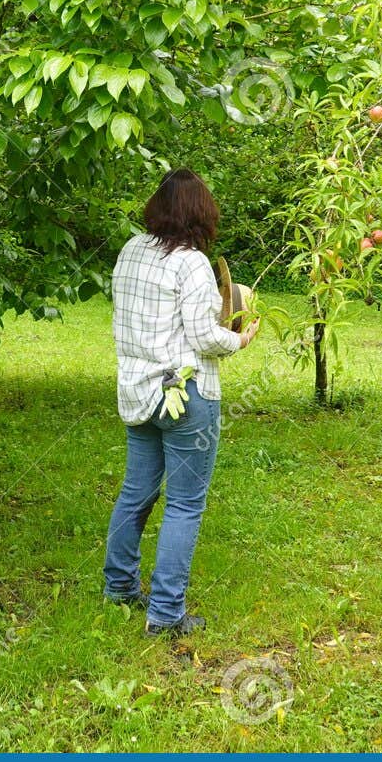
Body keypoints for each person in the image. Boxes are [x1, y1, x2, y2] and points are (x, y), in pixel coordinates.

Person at [103, 168, 258, 636]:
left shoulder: (131, 251)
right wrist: (240, 339)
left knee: (136, 492)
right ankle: (167, 615)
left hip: (138, 391)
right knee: (185, 505)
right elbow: (203, 337)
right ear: (201, 214)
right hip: (186, 396)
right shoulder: (190, 262)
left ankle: (120, 588)